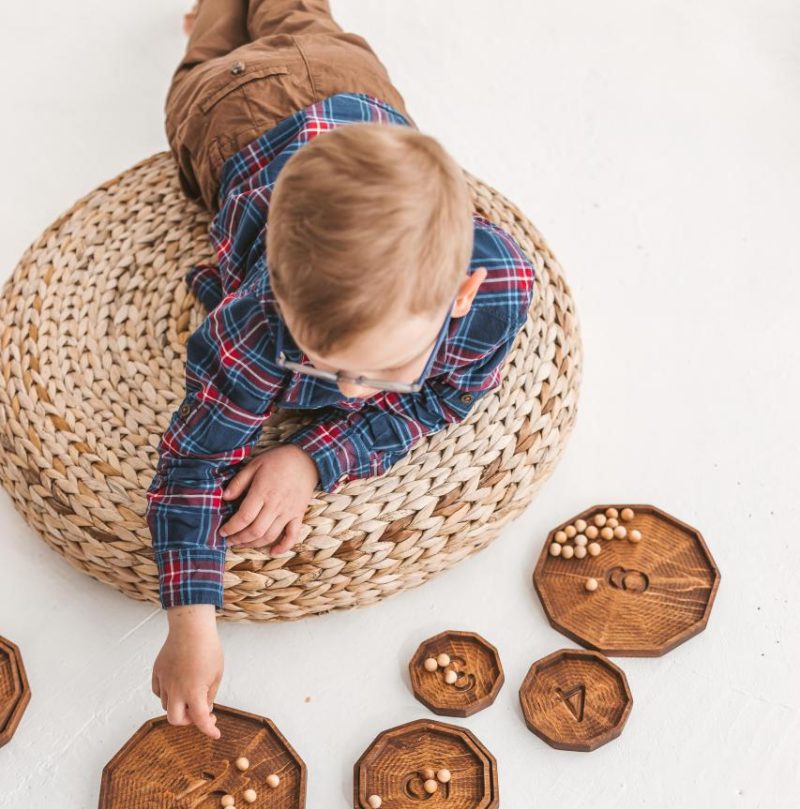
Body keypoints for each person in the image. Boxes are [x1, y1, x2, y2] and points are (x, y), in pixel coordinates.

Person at [149, 0, 535, 738]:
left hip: (346, 77)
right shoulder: (257, 324)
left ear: (461, 296)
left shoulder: (501, 294)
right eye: (327, 364)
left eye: (383, 367)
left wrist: (311, 455)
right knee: (210, 52)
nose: (355, 393)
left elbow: (440, 403)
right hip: (227, 112)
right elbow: (191, 463)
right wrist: (191, 623)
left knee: (299, 15)